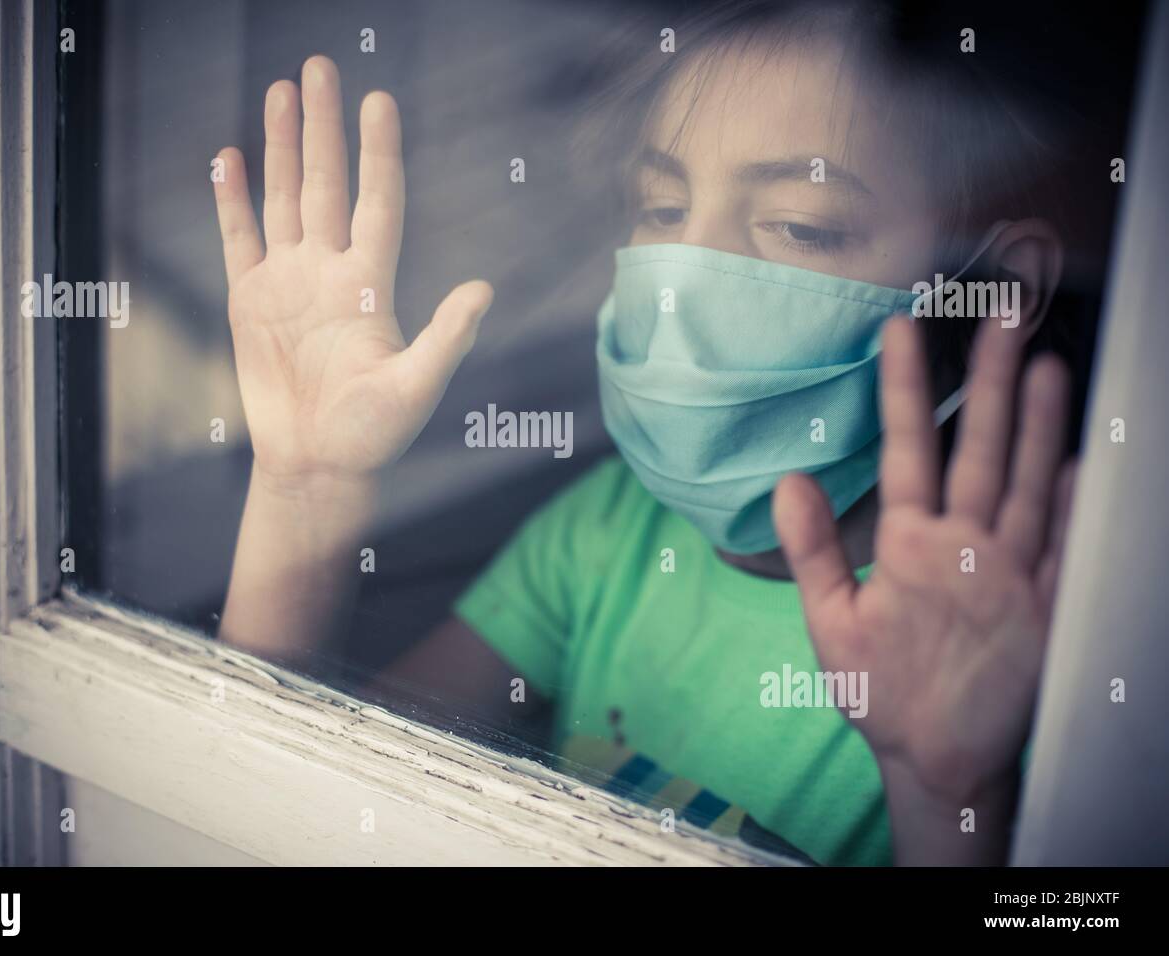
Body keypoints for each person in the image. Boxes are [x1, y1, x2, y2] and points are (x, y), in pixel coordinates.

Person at [210, 0, 1124, 864]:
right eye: (663, 208)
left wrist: (947, 799)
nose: (685, 276)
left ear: (993, 292)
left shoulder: (1012, 643)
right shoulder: (605, 533)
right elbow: (303, 804)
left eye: (800, 226)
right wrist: (305, 487)